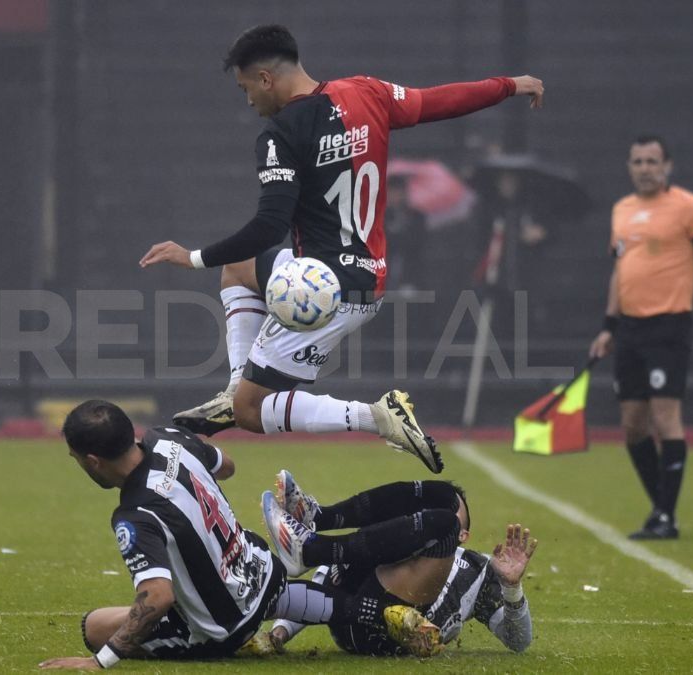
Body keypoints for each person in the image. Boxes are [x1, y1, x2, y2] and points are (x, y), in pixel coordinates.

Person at [139, 25, 544, 474]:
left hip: (325, 289)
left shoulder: (281, 134)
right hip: (366, 273)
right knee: (237, 269)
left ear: (266, 78)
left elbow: (269, 225)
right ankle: (233, 389)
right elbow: (438, 101)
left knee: (251, 413)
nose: (249, 100)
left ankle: (376, 416)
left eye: (246, 87)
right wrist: (508, 85)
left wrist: (192, 257)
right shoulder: (366, 92)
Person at [39, 400, 454, 670]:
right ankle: (380, 614)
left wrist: (101, 661)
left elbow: (158, 597)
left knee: (95, 627)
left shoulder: (135, 515)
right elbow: (227, 466)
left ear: (93, 461)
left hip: (223, 625)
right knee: (272, 594)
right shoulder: (169, 439)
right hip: (259, 570)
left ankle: (245, 641)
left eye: (76, 459)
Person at [589, 136, 693, 540]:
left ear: (667, 166)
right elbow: (620, 271)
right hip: (631, 329)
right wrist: (608, 325)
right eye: (637, 160)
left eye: (652, 160)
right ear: (629, 166)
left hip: (669, 325)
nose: (644, 168)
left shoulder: (689, 207)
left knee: (665, 416)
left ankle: (666, 517)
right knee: (633, 425)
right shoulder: (622, 210)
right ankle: (661, 508)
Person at [254, 471, 535, 657]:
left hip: (396, 636)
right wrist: (280, 633)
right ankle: (319, 519)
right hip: (352, 616)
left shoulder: (478, 569)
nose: (433, 511)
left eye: (453, 511)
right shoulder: (392, 538)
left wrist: (512, 587)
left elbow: (518, 640)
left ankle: (315, 540)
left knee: (443, 518)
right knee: (422, 506)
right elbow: (323, 580)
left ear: (465, 535)